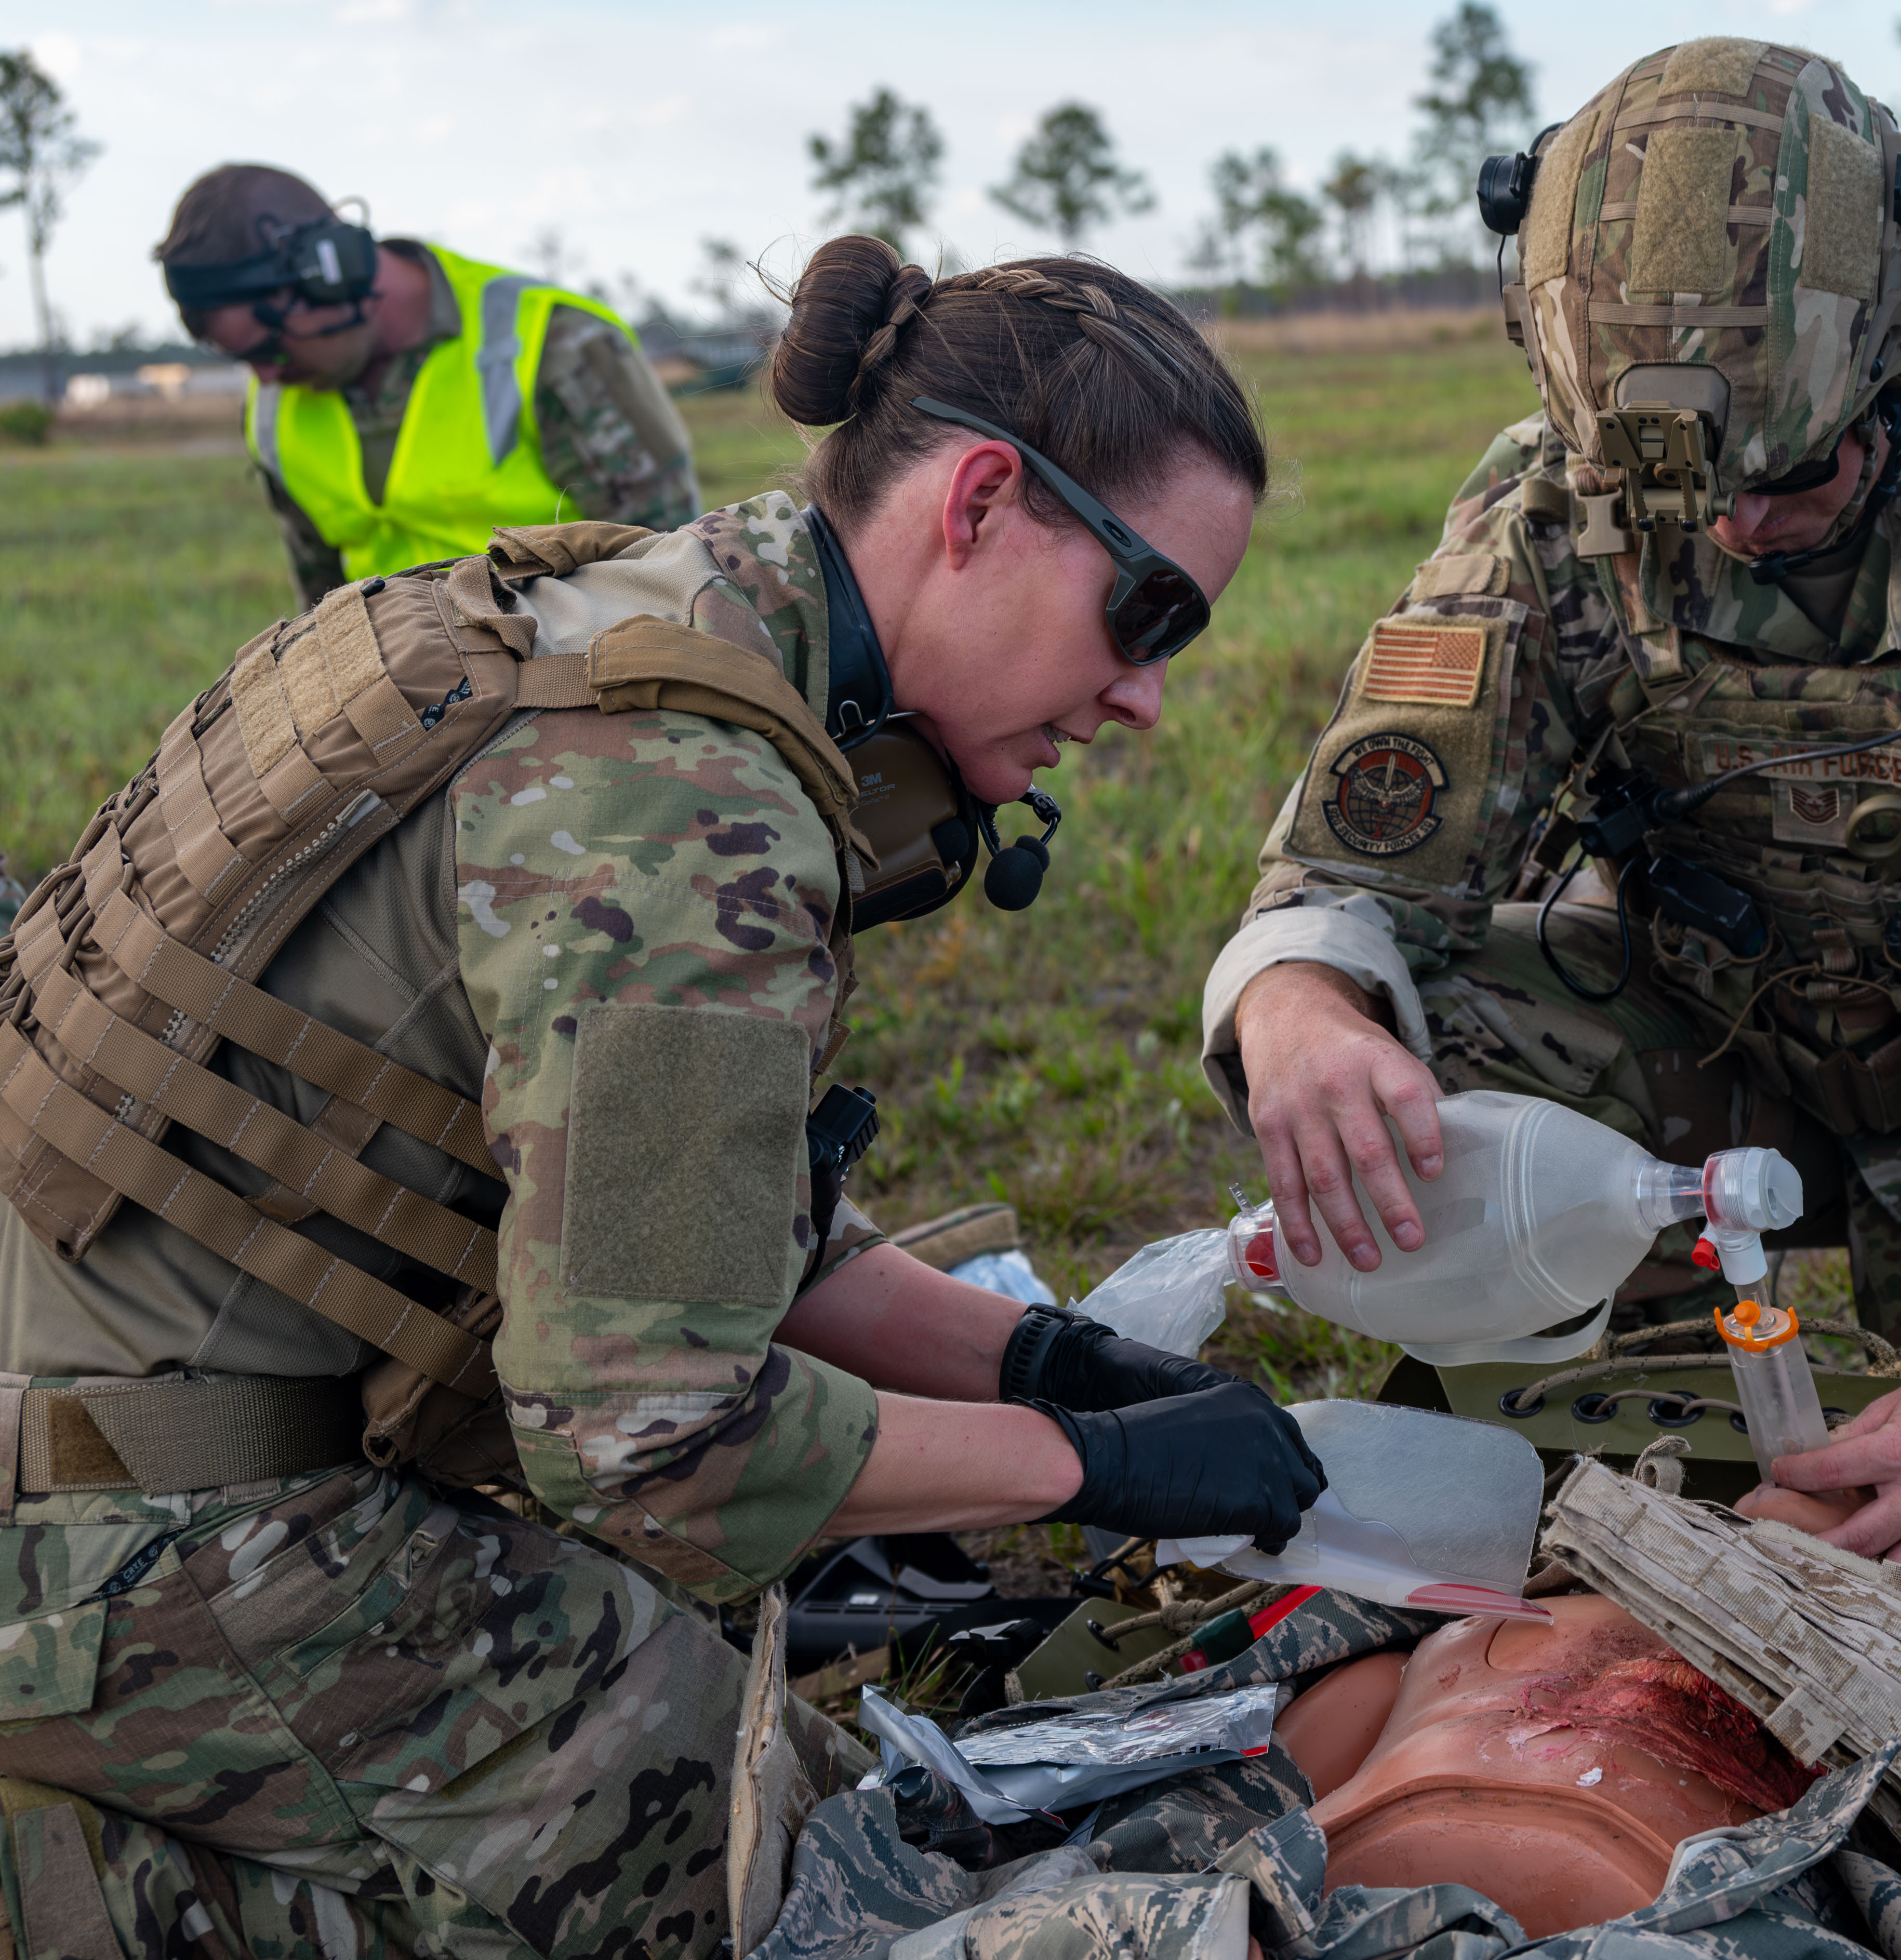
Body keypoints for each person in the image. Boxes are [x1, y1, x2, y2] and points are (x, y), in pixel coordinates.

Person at [0, 236, 1322, 1957]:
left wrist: (1041, 1360)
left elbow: (679, 1219)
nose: (1143, 696)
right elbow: (655, 1444)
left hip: (99, 1430)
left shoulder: (611, 618)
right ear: (982, 501)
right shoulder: (683, 805)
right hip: (146, 1543)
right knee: (794, 1879)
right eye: (1148, 615)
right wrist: (1084, 1466)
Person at [1209, 37, 1901, 1630]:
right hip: (1705, 1070)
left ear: (1900, 362)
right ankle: (1607, 1376)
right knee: (1409, 1018)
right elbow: (1356, 864)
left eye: (1793, 473)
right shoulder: (1558, 500)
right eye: (1679, 490)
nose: (1732, 525)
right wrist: (1302, 1006)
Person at [155, 164, 702, 608]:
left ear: (334, 272)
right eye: (244, 359)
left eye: (270, 349)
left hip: (569, 677)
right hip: (388, 689)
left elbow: (665, 574)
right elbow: (318, 603)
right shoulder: (273, 403)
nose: (266, 377)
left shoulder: (554, 343)